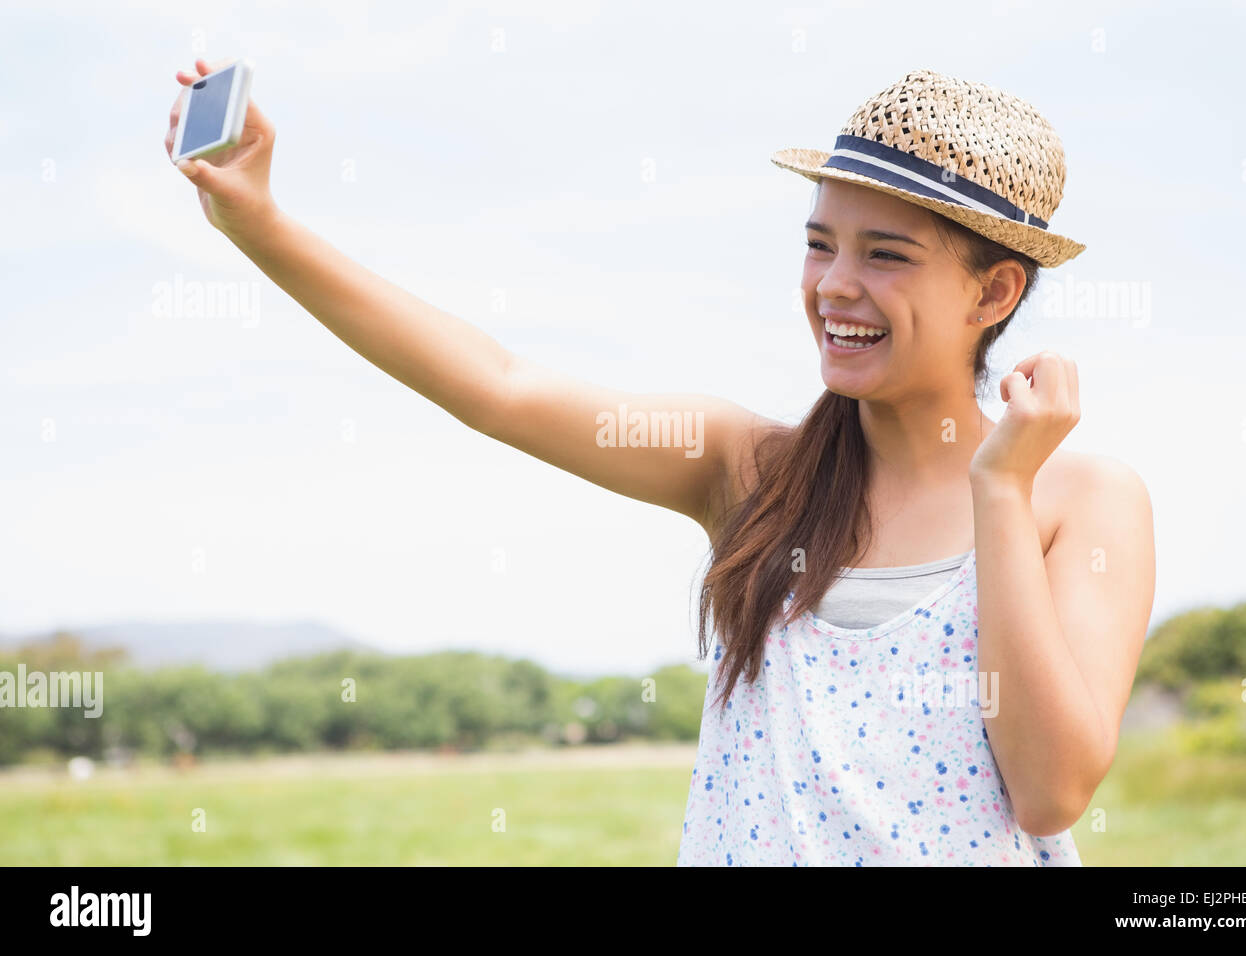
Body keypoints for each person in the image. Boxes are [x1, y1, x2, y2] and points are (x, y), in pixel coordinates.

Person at [164, 62, 1155, 866]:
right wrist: (262, 228)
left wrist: (996, 487)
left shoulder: (1077, 498)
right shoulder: (747, 469)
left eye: (885, 254)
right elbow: (497, 386)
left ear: (994, 292)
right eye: (819, 244)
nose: (834, 286)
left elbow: (1049, 787)